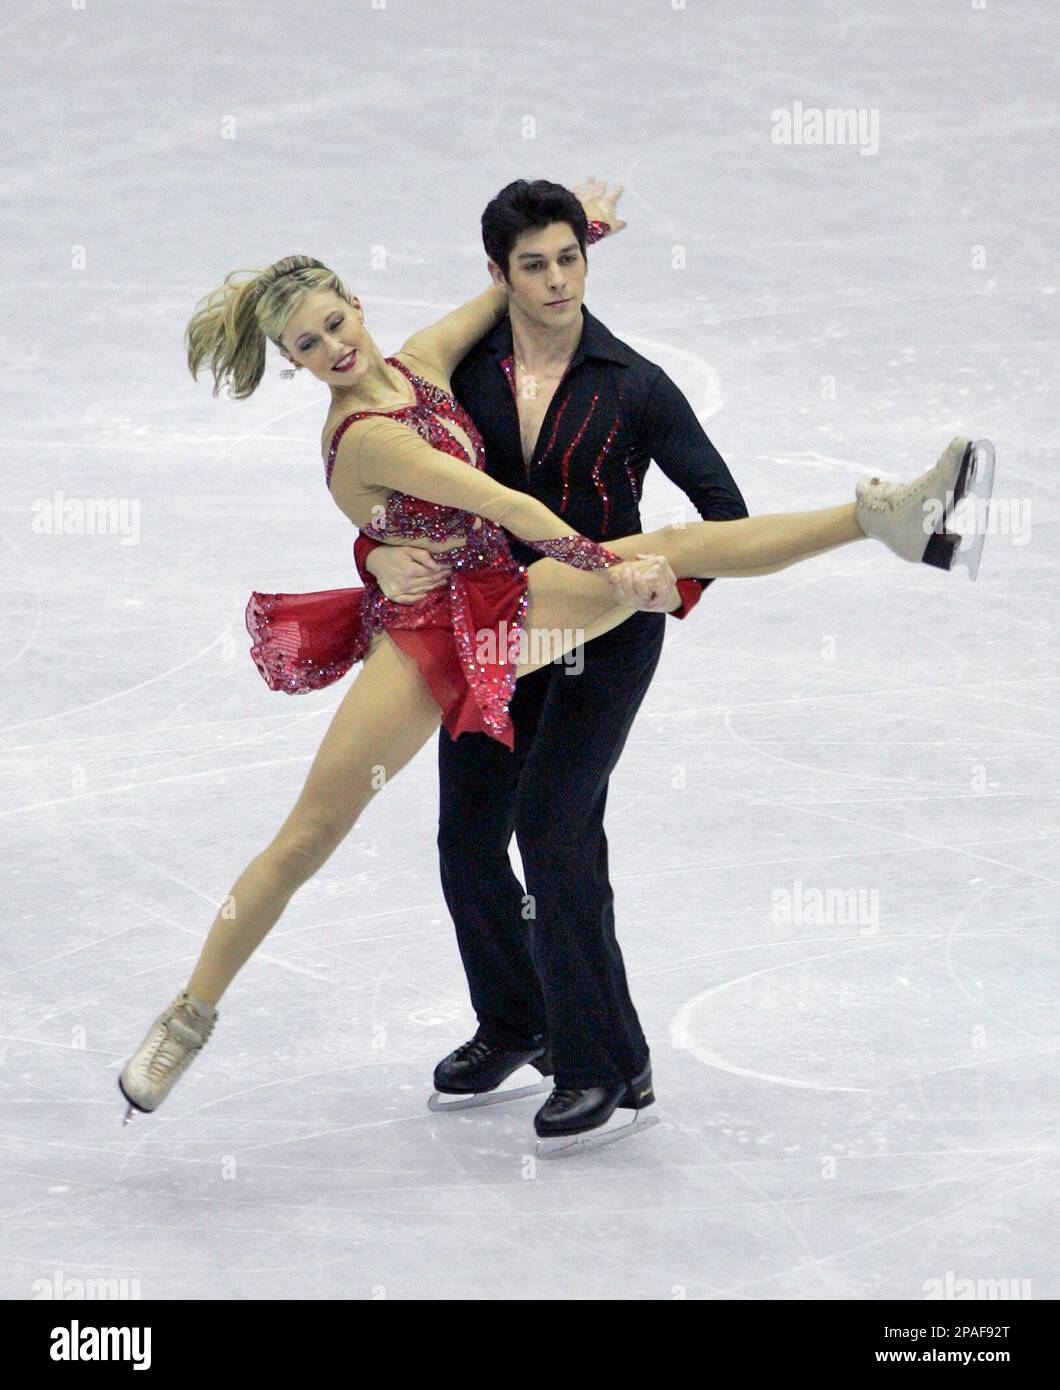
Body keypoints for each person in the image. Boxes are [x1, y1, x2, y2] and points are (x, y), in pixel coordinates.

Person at [118, 185, 994, 1148]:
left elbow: (497, 295)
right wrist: (613, 570)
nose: (334, 349)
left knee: (679, 543)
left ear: (357, 305)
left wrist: (579, 229)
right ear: (290, 363)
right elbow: (514, 509)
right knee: (314, 832)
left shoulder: (419, 360)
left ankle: (885, 517)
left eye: (335, 322)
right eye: (308, 347)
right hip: (429, 634)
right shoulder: (367, 436)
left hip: (506, 598)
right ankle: (187, 1018)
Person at [351, 178, 749, 1143]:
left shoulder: (635, 384)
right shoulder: (459, 381)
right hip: (494, 626)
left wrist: (672, 583)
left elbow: (725, 514)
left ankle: (607, 1062)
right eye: (535, 264)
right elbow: (384, 485)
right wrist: (378, 549)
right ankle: (518, 1018)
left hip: (605, 631)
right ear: (499, 275)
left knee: (555, 826)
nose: (559, 279)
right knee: (466, 838)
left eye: (571, 257)